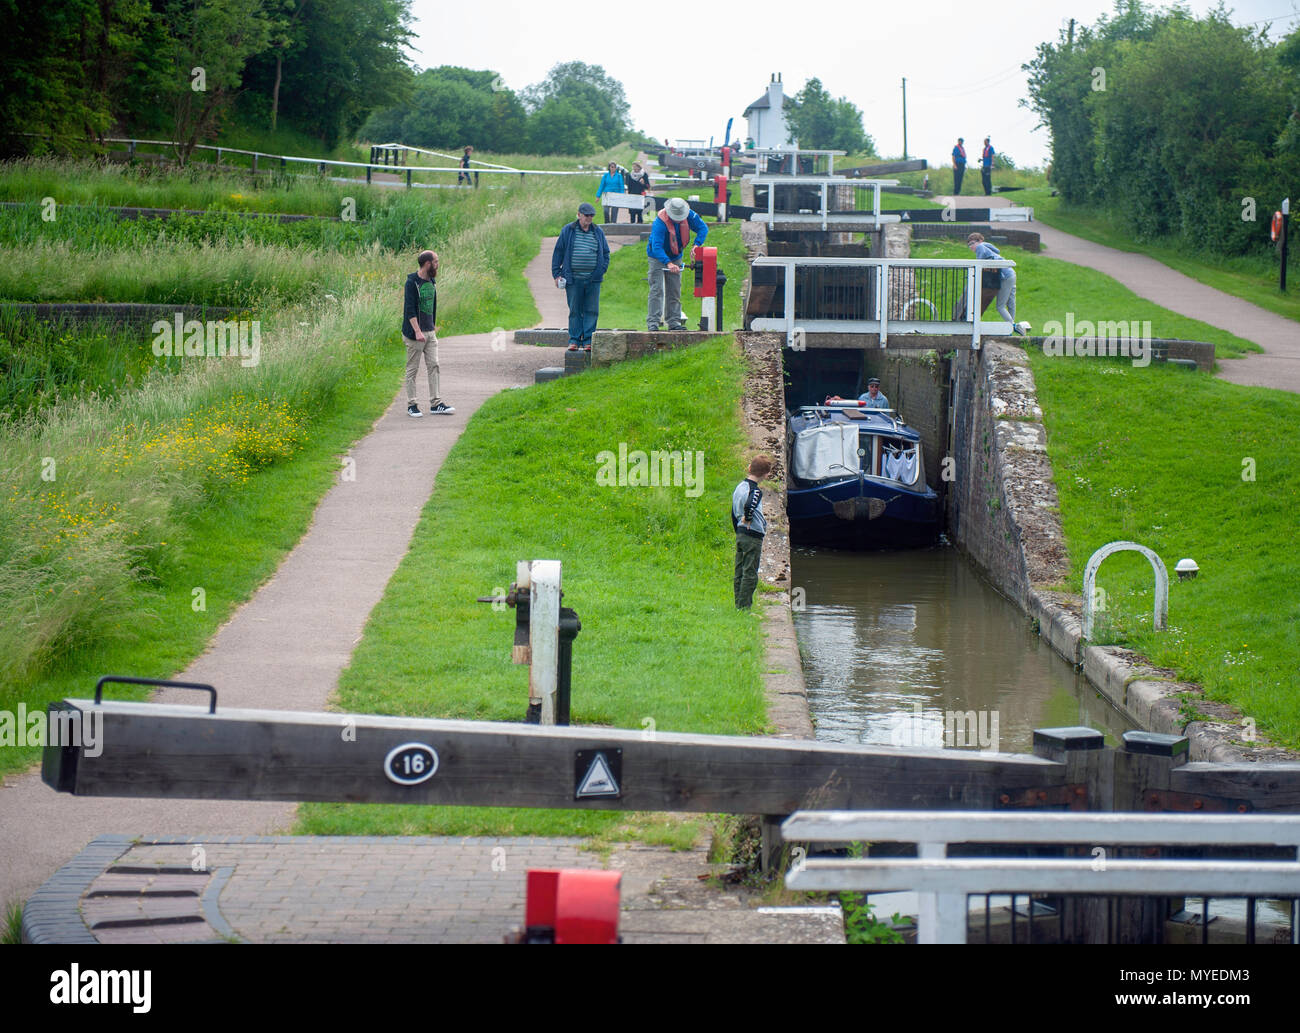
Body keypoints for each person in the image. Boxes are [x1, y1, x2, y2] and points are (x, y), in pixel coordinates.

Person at [551, 202, 610, 352]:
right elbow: (558, 252)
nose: (589, 218)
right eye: (586, 216)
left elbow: (605, 253)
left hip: (593, 279)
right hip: (573, 279)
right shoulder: (568, 231)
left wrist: (601, 270)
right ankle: (574, 340)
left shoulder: (598, 232)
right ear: (579, 215)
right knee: (575, 310)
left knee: (591, 310)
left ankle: (588, 340)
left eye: (591, 216)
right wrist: (557, 274)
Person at [402, 250, 455, 416]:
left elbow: (431, 306)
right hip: (415, 335)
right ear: (427, 264)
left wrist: (432, 326)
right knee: (412, 369)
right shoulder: (412, 283)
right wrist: (417, 331)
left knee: (434, 366)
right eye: (436, 261)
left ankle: (436, 404)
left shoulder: (432, 281)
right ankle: (412, 405)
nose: (438, 264)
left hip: (430, 333)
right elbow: (409, 310)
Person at [646, 196, 708, 331]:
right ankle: (653, 323)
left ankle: (674, 322)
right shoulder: (659, 223)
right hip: (657, 256)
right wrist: (668, 263)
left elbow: (703, 228)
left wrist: (696, 245)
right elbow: (656, 247)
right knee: (657, 290)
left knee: (674, 289)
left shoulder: (690, 215)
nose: (679, 220)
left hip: (676, 255)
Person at [732, 454, 773, 609]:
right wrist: (748, 518)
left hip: (741, 534)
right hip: (752, 534)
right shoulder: (755, 490)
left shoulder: (739, 487)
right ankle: (744, 607)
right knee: (750, 573)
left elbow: (733, 511)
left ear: (749, 468)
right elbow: (750, 504)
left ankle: (738, 604)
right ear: (766, 474)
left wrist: (738, 528)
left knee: (739, 571)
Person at [966, 232, 1023, 334]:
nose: (971, 247)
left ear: (980, 241)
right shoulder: (988, 248)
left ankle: (1013, 326)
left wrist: (977, 269)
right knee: (1010, 303)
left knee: (1000, 306)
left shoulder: (981, 247)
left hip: (1005, 276)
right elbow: (995, 252)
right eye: (969, 245)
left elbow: (979, 262)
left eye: (972, 243)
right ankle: (1010, 328)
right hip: (1011, 273)